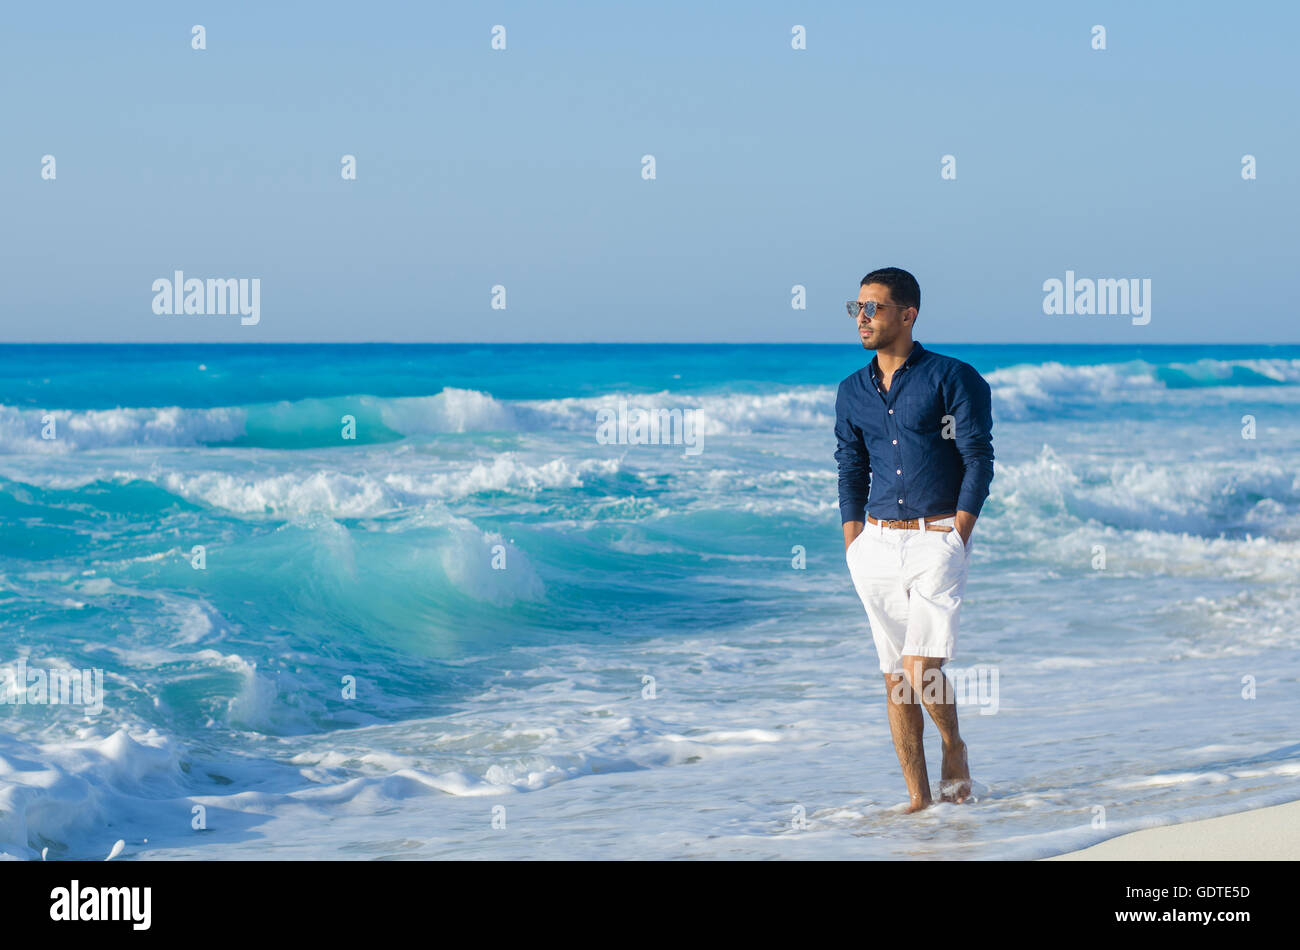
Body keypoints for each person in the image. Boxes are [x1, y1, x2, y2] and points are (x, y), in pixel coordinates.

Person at [835, 266, 994, 812]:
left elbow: (978, 459)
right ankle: (919, 806)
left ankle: (954, 744)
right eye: (856, 307)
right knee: (893, 679)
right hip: (875, 545)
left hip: (937, 539)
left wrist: (959, 533)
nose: (862, 317)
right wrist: (853, 541)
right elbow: (850, 467)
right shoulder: (852, 391)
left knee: (920, 667)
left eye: (873, 307)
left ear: (907, 314)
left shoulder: (954, 377)